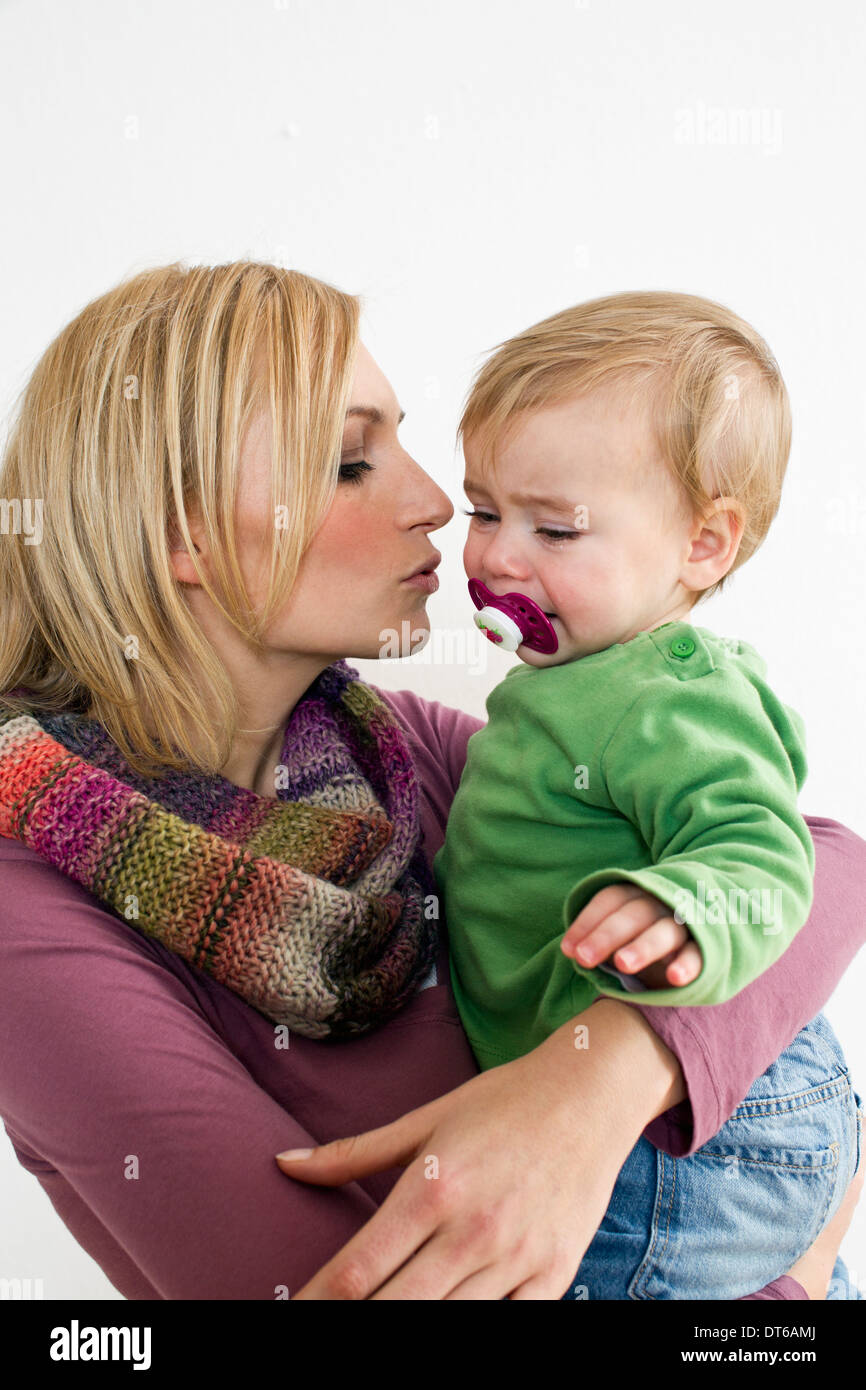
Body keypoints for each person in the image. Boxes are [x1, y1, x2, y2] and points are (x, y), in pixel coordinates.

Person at [0, 261, 862, 1302]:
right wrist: (801, 1280)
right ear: (182, 534)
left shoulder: (393, 752)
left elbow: (822, 862)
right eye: (352, 462)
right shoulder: (29, 908)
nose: (433, 504)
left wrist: (600, 1074)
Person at [432, 290, 862, 1298]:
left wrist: (685, 905)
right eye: (484, 511)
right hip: (706, 1121)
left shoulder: (664, 696)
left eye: (552, 528)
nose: (496, 555)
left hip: (695, 1140)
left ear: (701, 545)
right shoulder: (575, 681)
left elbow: (763, 849)